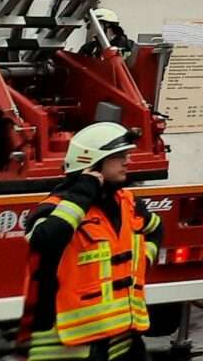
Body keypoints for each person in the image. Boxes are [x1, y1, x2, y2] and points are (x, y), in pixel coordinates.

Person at [16, 123, 158, 361]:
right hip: (67, 347)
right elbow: (44, 240)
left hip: (122, 342)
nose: (127, 161)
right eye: (118, 156)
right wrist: (83, 192)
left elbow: (155, 230)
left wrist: (141, 260)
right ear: (93, 162)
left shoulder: (128, 203)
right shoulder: (55, 206)